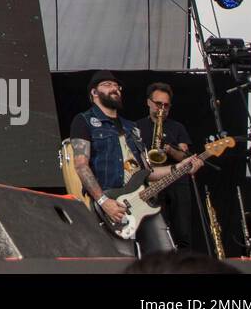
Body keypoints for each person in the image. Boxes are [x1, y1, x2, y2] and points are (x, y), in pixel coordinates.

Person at [68, 71, 199, 256]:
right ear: (94, 93)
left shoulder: (131, 127)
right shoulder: (84, 121)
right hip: (112, 202)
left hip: (143, 199)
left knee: (166, 258)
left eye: (117, 86)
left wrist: (180, 166)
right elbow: (81, 165)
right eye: (107, 84)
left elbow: (147, 172)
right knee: (124, 261)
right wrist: (104, 201)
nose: (114, 88)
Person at [136, 82, 195, 250]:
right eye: (158, 104)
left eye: (166, 105)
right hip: (150, 182)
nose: (162, 108)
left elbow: (185, 156)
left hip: (177, 182)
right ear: (148, 102)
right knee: (153, 230)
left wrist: (168, 148)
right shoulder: (136, 127)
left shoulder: (177, 127)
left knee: (182, 231)